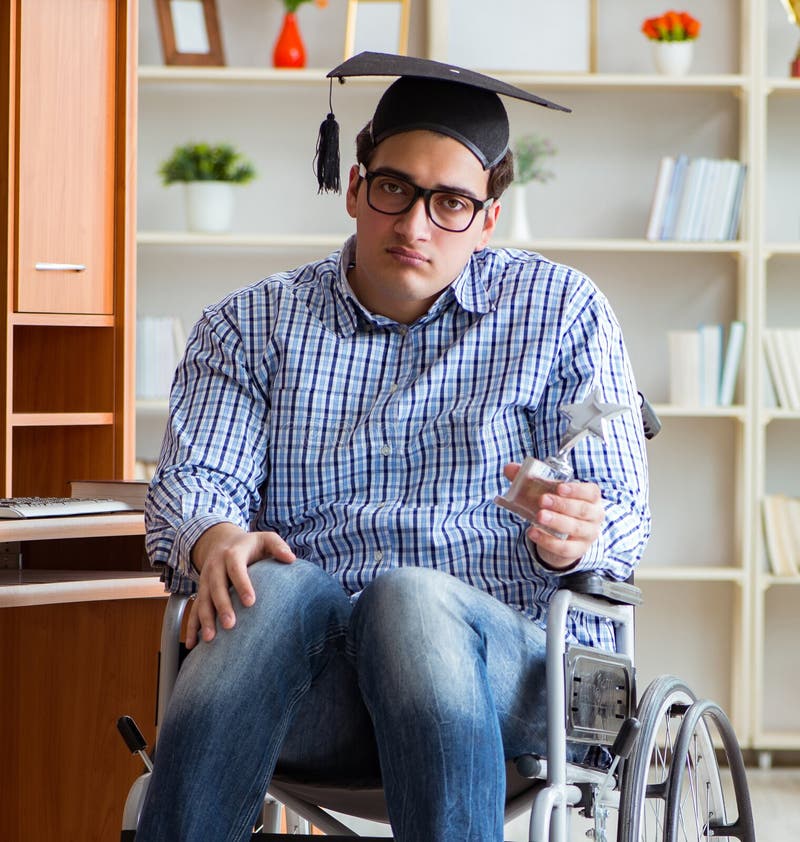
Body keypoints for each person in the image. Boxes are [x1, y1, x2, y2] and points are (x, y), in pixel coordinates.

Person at [136, 52, 650, 842]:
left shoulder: (562, 312)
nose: (413, 226)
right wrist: (215, 538)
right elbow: (197, 481)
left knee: (410, 600)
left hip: (503, 674)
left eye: (449, 203)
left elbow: (621, 523)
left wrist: (576, 533)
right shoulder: (249, 325)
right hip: (314, 685)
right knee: (267, 585)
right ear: (354, 186)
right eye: (393, 189)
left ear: (487, 219)